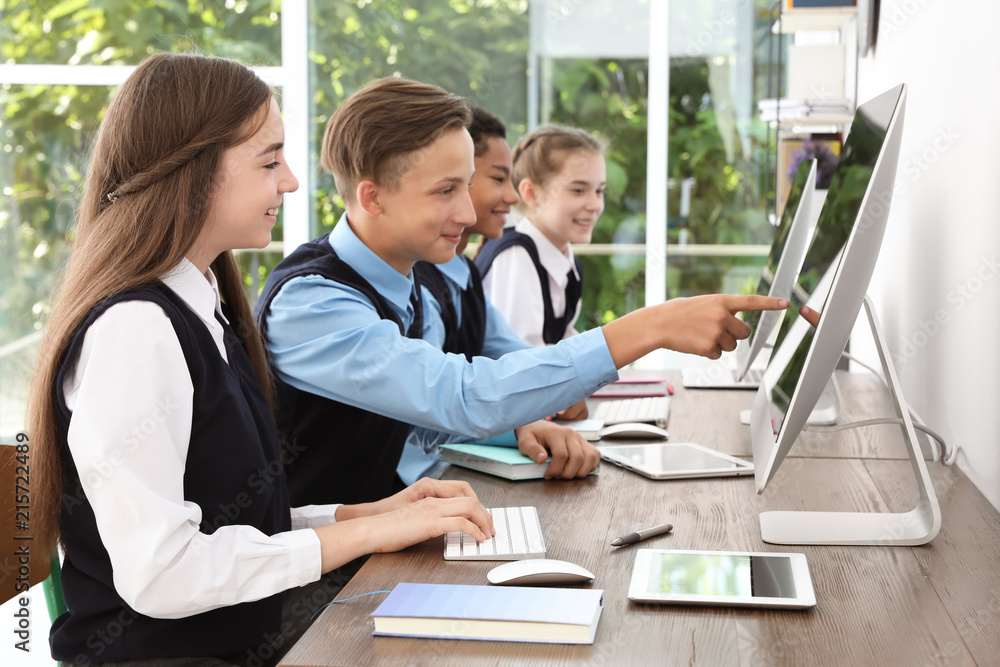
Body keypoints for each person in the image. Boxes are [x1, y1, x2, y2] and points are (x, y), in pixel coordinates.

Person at [25, 53, 493, 666]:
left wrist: (370, 513)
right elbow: (162, 573)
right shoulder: (135, 328)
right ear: (190, 172)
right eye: (270, 161)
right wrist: (364, 534)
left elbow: (229, 524)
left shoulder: (201, 308)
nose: (292, 181)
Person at [256, 77, 788, 515]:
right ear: (372, 196)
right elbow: (460, 397)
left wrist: (518, 425)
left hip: (402, 529)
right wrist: (649, 327)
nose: (469, 213)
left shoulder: (410, 275)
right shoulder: (314, 303)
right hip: (328, 588)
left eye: (467, 186)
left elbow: (423, 415)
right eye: (446, 190)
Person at [401, 106, 590, 485]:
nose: (511, 195)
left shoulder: (463, 273)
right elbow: (446, 401)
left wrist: (558, 392)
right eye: (497, 179)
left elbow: (517, 354)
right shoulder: (413, 284)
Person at [475, 124, 604, 347]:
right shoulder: (516, 257)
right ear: (531, 193)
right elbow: (520, 364)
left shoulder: (569, 267)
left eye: (600, 191)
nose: (595, 204)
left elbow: (562, 344)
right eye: (578, 190)